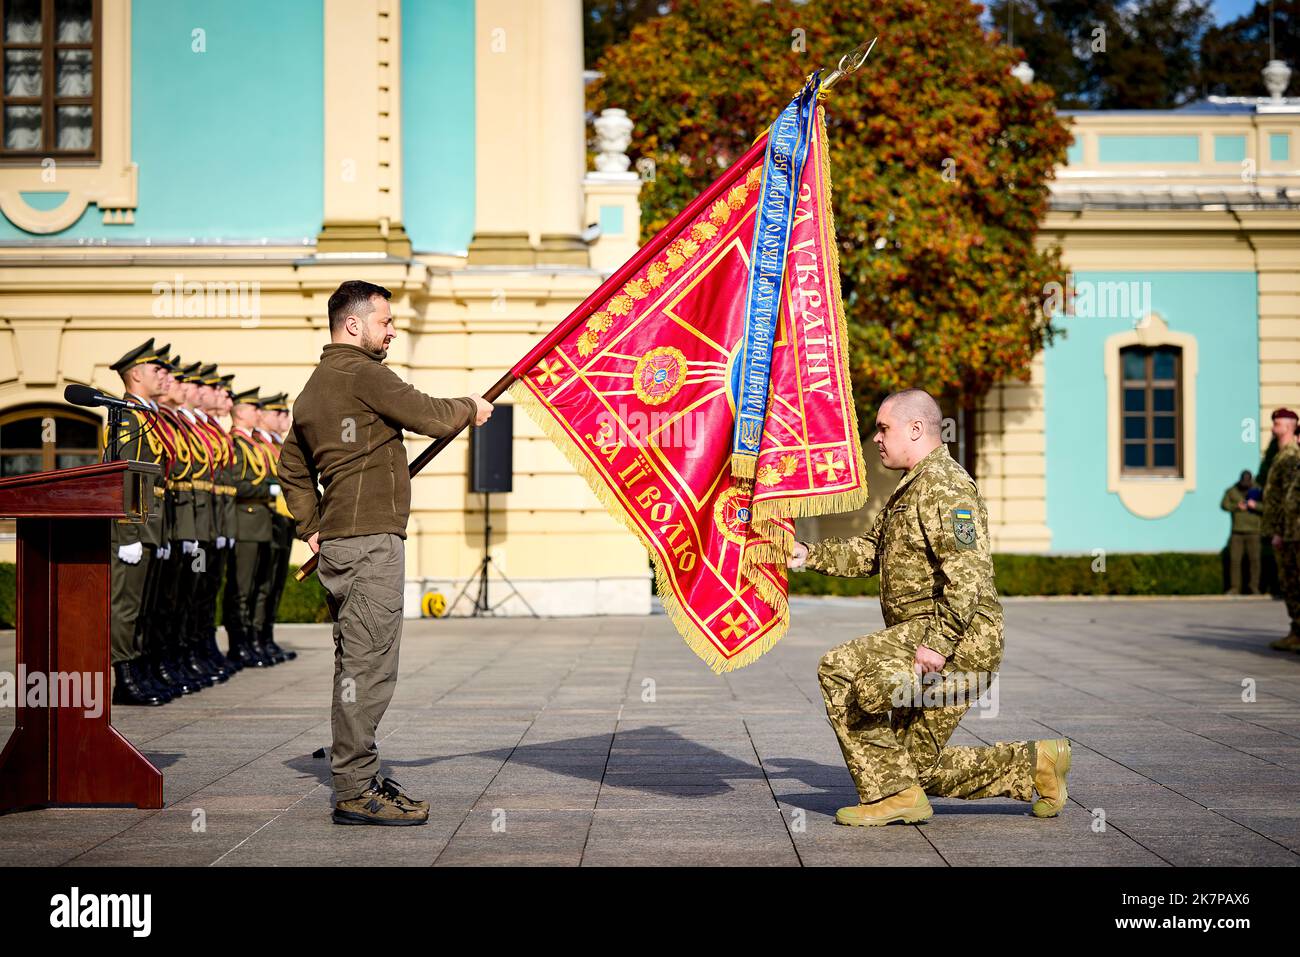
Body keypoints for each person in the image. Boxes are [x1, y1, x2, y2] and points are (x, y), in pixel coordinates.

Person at [788, 389, 1070, 826]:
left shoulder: (945, 485)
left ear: (916, 428)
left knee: (838, 668)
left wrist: (938, 644)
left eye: (883, 428)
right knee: (908, 766)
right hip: (929, 635)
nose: (876, 438)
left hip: (961, 645)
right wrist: (807, 554)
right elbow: (870, 552)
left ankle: (895, 797)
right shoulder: (913, 484)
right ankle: (1035, 764)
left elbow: (969, 572)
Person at [277, 280, 492, 826]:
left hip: (344, 544)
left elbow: (291, 467)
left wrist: (311, 528)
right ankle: (354, 789)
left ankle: (358, 773)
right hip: (370, 545)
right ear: (354, 325)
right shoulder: (362, 373)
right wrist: (471, 407)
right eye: (385, 322)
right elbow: (430, 416)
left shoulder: (313, 388)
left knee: (354, 663)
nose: (392, 330)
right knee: (371, 667)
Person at [106, 339, 171, 706]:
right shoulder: (127, 417)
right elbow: (122, 475)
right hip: (136, 523)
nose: (163, 376)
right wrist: (127, 531)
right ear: (135, 374)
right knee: (127, 604)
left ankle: (138, 668)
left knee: (143, 603)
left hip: (151, 521)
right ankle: (123, 675)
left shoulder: (147, 417)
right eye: (155, 370)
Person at [1262, 408, 1300, 652]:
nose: (1274, 426)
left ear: (1290, 426)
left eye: (1278, 423)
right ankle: (1296, 630)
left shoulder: (1291, 457)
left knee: (1294, 580)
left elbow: (1291, 500)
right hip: (1287, 530)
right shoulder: (1280, 455)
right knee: (1289, 582)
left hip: (1291, 531)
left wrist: (1281, 531)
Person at [1221, 470, 1263, 595]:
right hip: (1237, 532)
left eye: (1247, 482)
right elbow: (1224, 505)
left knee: (1255, 561)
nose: (1245, 484)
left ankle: (1254, 587)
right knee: (1235, 561)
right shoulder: (1232, 491)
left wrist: (1255, 505)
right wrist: (1236, 506)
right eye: (1243, 482)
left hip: (1254, 531)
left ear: (1251, 480)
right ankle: (1235, 588)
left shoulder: (1258, 490)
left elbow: (1268, 506)